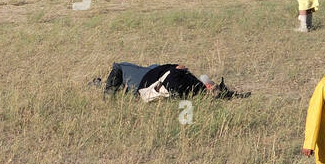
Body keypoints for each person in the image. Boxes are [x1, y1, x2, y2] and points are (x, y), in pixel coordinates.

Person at [94, 62, 241, 100]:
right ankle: (101, 86)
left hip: (149, 79)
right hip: (154, 75)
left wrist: (176, 69)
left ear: (209, 87)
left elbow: (173, 85)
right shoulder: (197, 88)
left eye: (212, 84)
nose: (210, 82)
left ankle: (106, 93)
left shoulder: (195, 87)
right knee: (128, 85)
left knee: (120, 67)